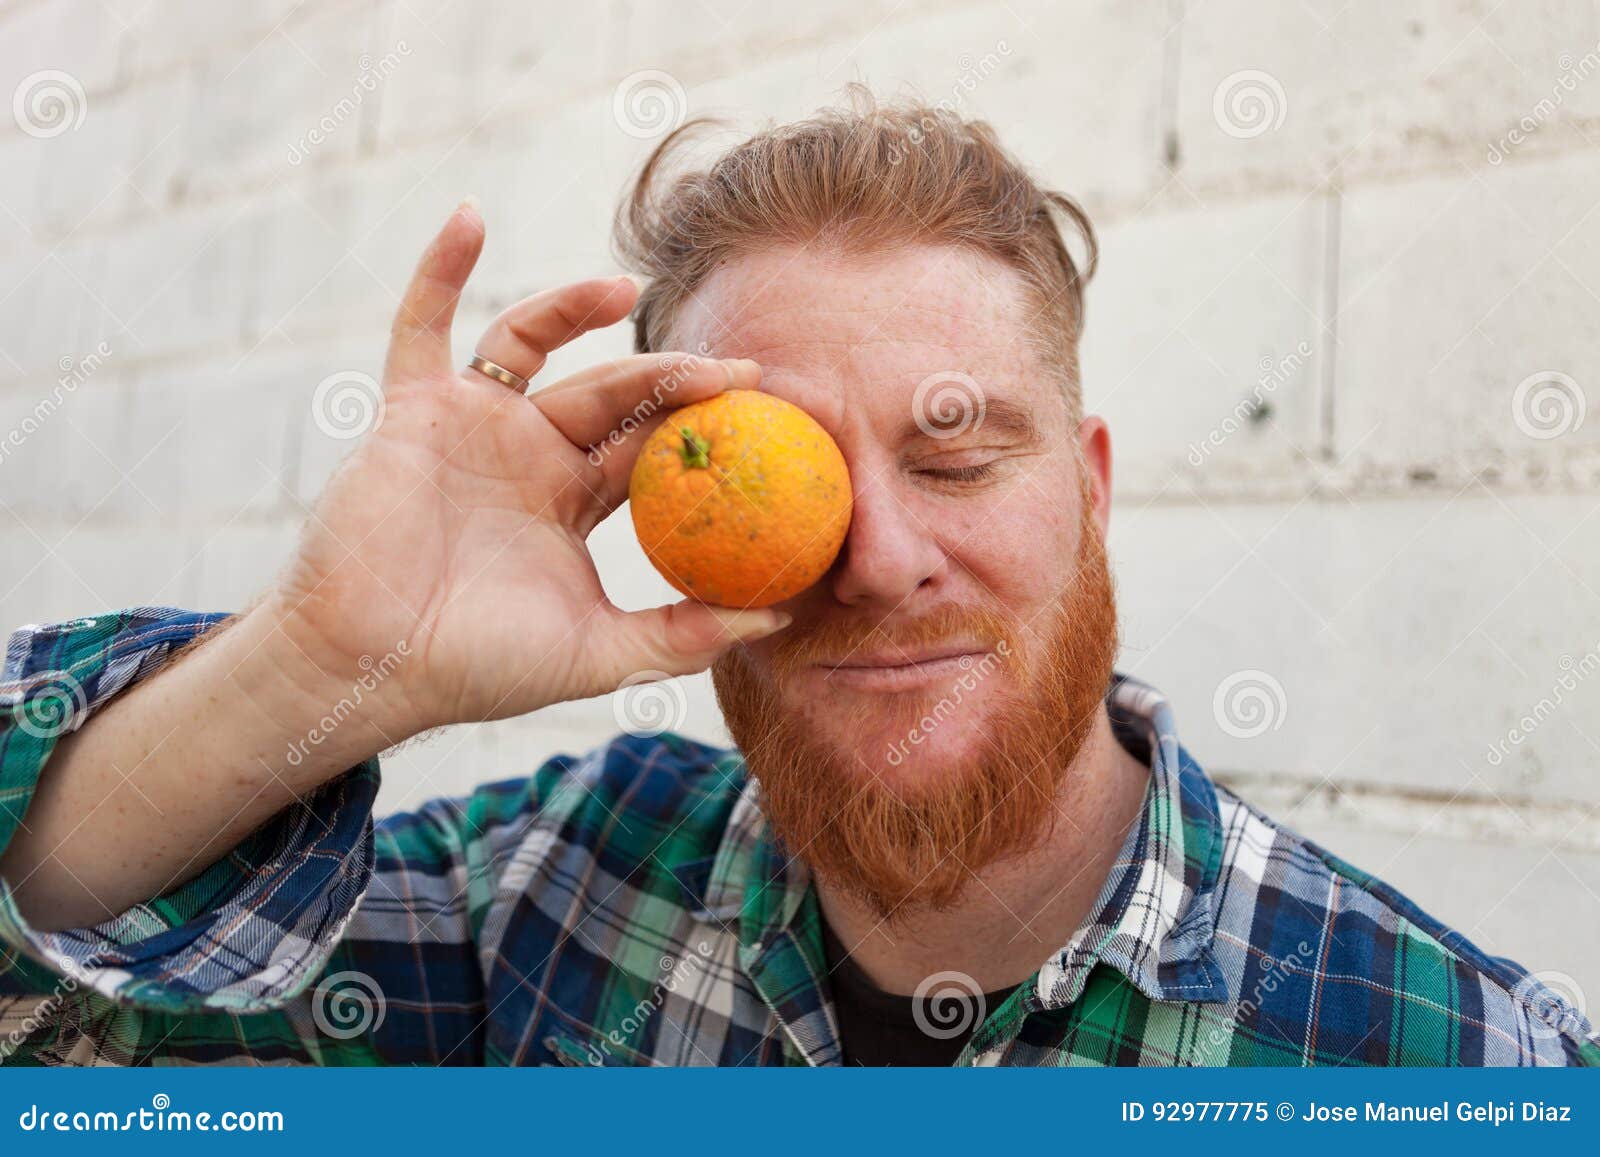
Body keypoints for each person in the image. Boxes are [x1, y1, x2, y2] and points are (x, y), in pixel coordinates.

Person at [0, 92, 1593, 1067]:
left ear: (1091, 493)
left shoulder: (1456, 1054)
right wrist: (324, 662)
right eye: (798, 479)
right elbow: (65, 1041)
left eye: (959, 457)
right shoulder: (546, 898)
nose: (883, 560)